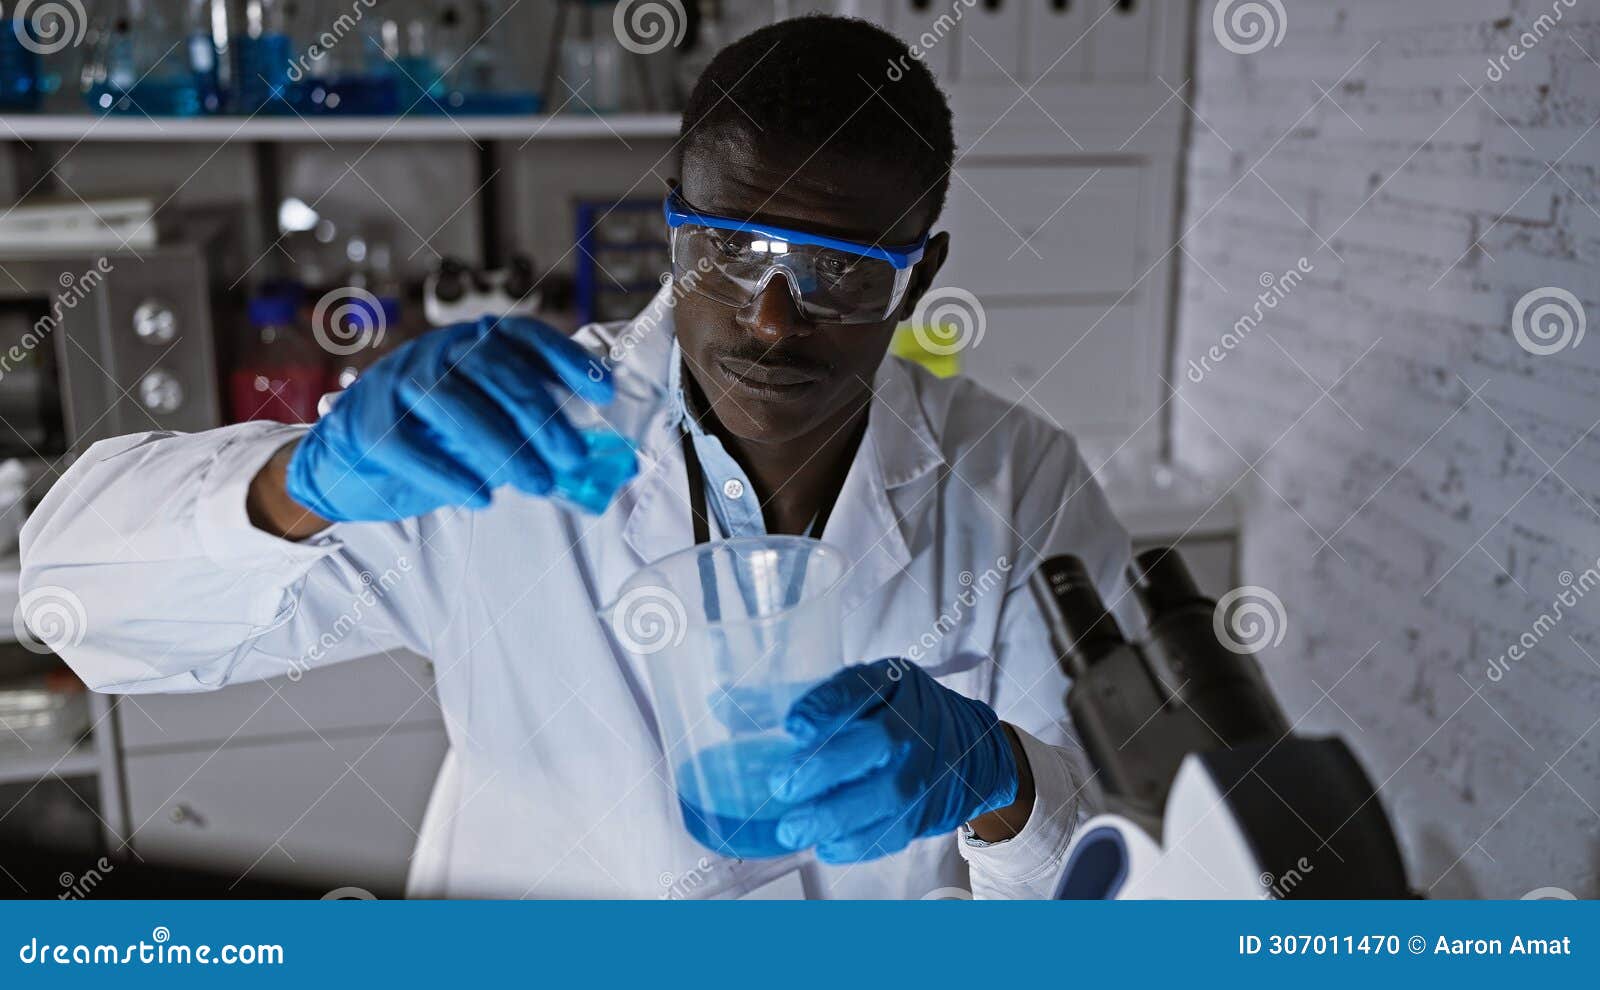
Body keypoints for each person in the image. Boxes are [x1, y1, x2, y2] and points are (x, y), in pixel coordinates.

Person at [20, 15, 1135, 899]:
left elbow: (1135, 871)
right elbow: (74, 607)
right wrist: (293, 490)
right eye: (732, 251)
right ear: (674, 226)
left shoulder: (1016, 481)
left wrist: (1007, 790)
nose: (771, 321)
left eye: (843, 273)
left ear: (921, 275)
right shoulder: (514, 436)